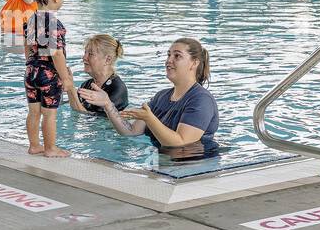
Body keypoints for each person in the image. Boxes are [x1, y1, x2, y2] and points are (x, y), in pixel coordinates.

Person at [81, 38, 220, 157]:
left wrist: (149, 118)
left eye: (177, 56)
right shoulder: (162, 96)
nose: (168, 61)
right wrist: (108, 105)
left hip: (194, 169)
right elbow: (130, 131)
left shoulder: (201, 100)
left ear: (194, 63)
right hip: (166, 165)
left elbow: (180, 143)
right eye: (168, 55)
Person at [23, 0, 79, 157]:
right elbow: (56, 52)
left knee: (34, 112)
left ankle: (34, 145)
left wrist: (30, 64)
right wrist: (65, 78)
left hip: (31, 71)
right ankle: (50, 148)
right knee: (49, 114)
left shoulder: (32, 20)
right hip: (48, 75)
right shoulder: (54, 23)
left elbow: (27, 46)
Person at [77, 34, 128, 116]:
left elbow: (97, 122)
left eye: (90, 54)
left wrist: (71, 91)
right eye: (85, 53)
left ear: (107, 60)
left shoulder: (117, 89)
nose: (84, 58)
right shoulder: (86, 85)